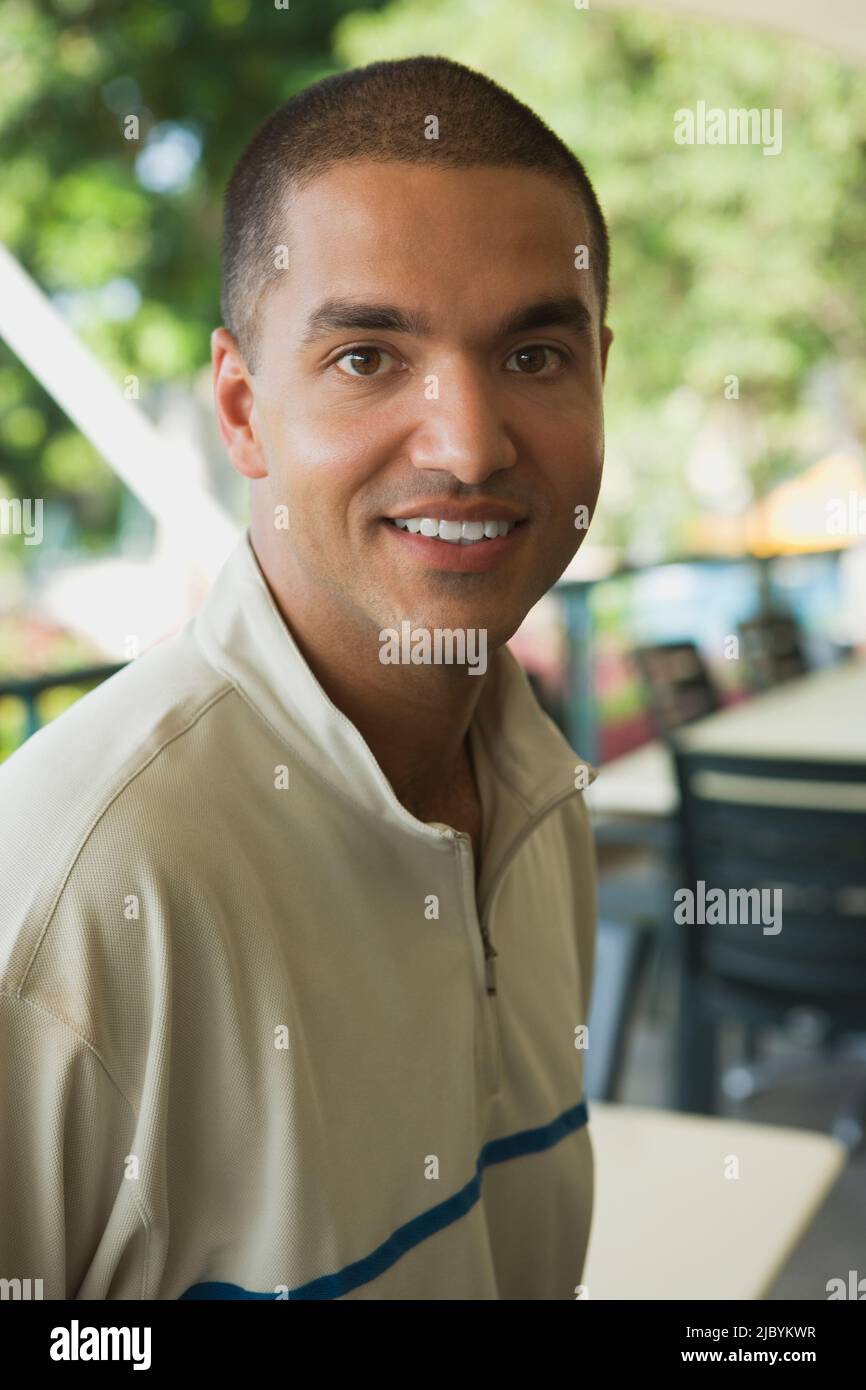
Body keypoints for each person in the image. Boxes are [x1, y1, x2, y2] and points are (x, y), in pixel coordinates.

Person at [0, 54, 613, 1300]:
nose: (467, 443)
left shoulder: (534, 792)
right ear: (240, 410)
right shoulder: (73, 895)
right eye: (367, 359)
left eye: (533, 355)